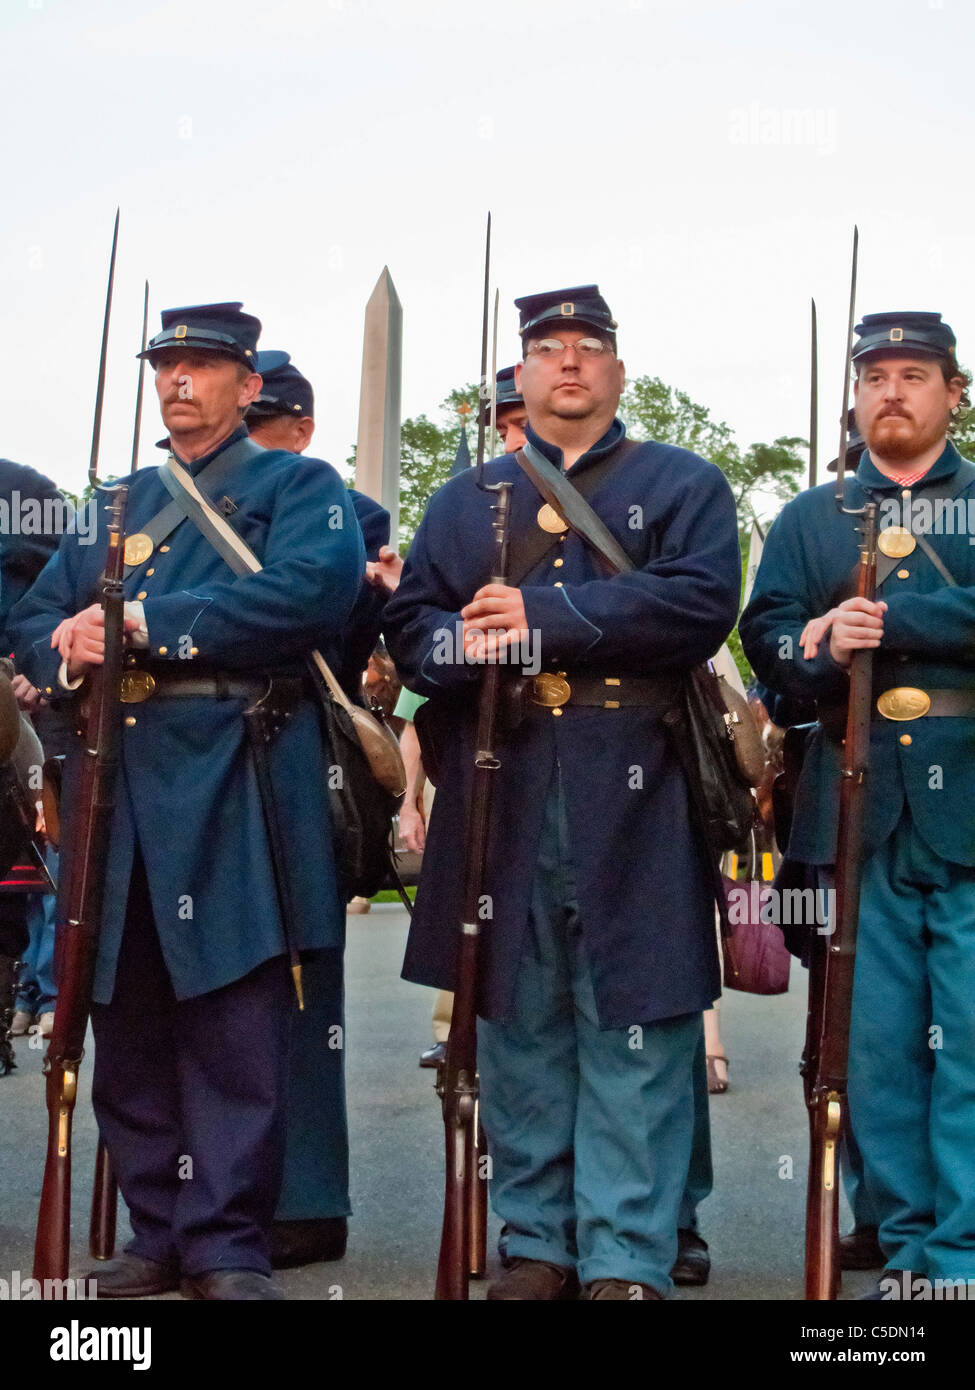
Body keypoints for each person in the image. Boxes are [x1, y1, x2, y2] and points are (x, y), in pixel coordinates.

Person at [385, 284, 740, 1299]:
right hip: (506, 776)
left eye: (589, 349)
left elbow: (700, 602)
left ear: (619, 371)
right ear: (525, 372)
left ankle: (627, 1252)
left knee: (637, 1018)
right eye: (548, 350)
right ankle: (538, 1242)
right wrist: (471, 640)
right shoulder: (465, 500)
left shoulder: (682, 483)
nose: (569, 365)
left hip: (639, 779)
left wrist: (541, 614)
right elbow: (411, 627)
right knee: (519, 1017)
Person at [9, 302, 363, 1300]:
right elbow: (34, 618)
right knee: (127, 1021)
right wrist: (66, 645)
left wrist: (141, 622)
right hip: (115, 784)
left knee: (234, 1025)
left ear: (248, 386)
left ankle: (227, 1242)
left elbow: (308, 597)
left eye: (202, 366)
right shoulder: (113, 501)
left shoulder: (301, 486)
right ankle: (155, 1233)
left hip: (232, 774)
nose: (179, 382)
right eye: (166, 364)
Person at [740, 310, 975, 1291]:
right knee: (878, 1050)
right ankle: (911, 1245)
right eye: (874, 373)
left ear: (954, 394)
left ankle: (963, 1248)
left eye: (914, 373)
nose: (891, 390)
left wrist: (893, 620)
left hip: (966, 799)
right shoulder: (812, 517)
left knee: (967, 1038)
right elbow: (767, 633)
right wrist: (821, 644)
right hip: (856, 800)